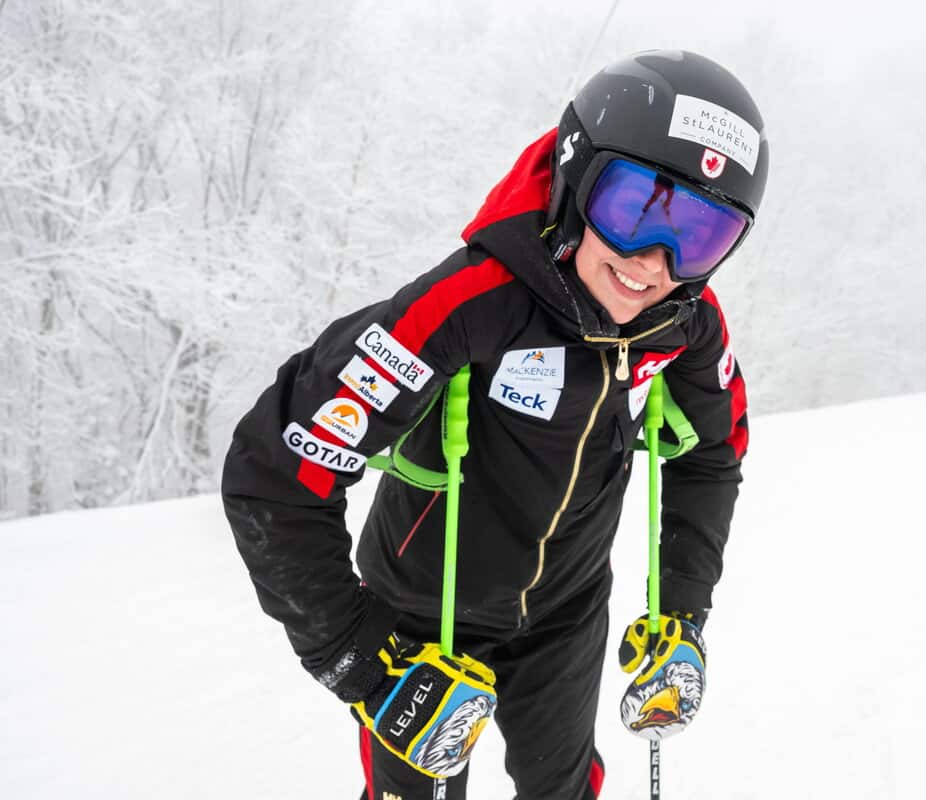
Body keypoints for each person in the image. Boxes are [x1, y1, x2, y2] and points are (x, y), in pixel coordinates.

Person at [222, 49, 769, 799]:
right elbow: (276, 472)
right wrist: (362, 661)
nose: (652, 263)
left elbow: (713, 454)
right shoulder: (468, 305)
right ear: (578, 177)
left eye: (701, 236)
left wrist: (684, 611)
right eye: (635, 206)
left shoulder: (685, 324)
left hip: (566, 614)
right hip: (423, 614)